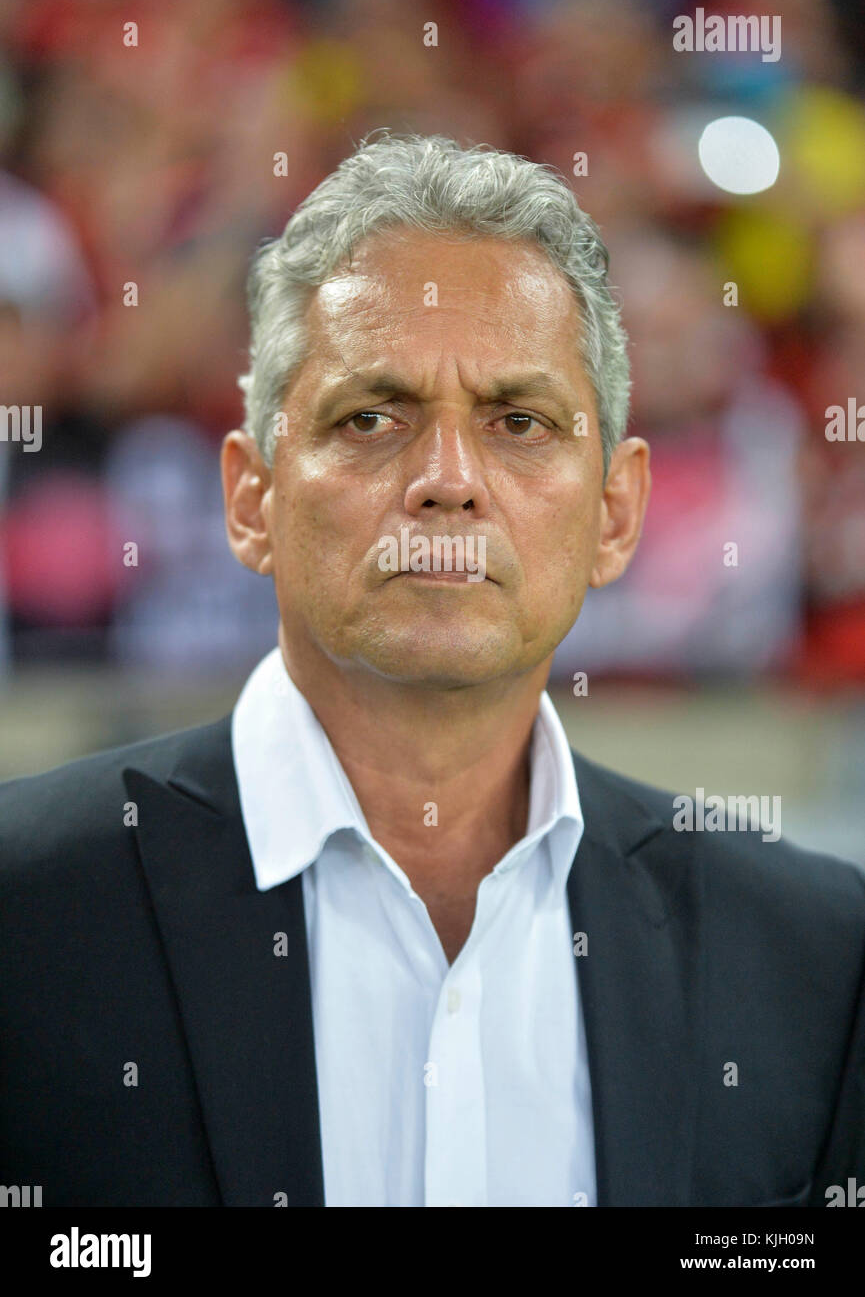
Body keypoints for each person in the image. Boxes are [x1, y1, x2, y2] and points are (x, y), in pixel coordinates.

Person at [1, 134, 863, 1207]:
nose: (447, 481)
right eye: (371, 417)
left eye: (518, 421)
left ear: (615, 510)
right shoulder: (24, 910)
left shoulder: (818, 961)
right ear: (251, 497)